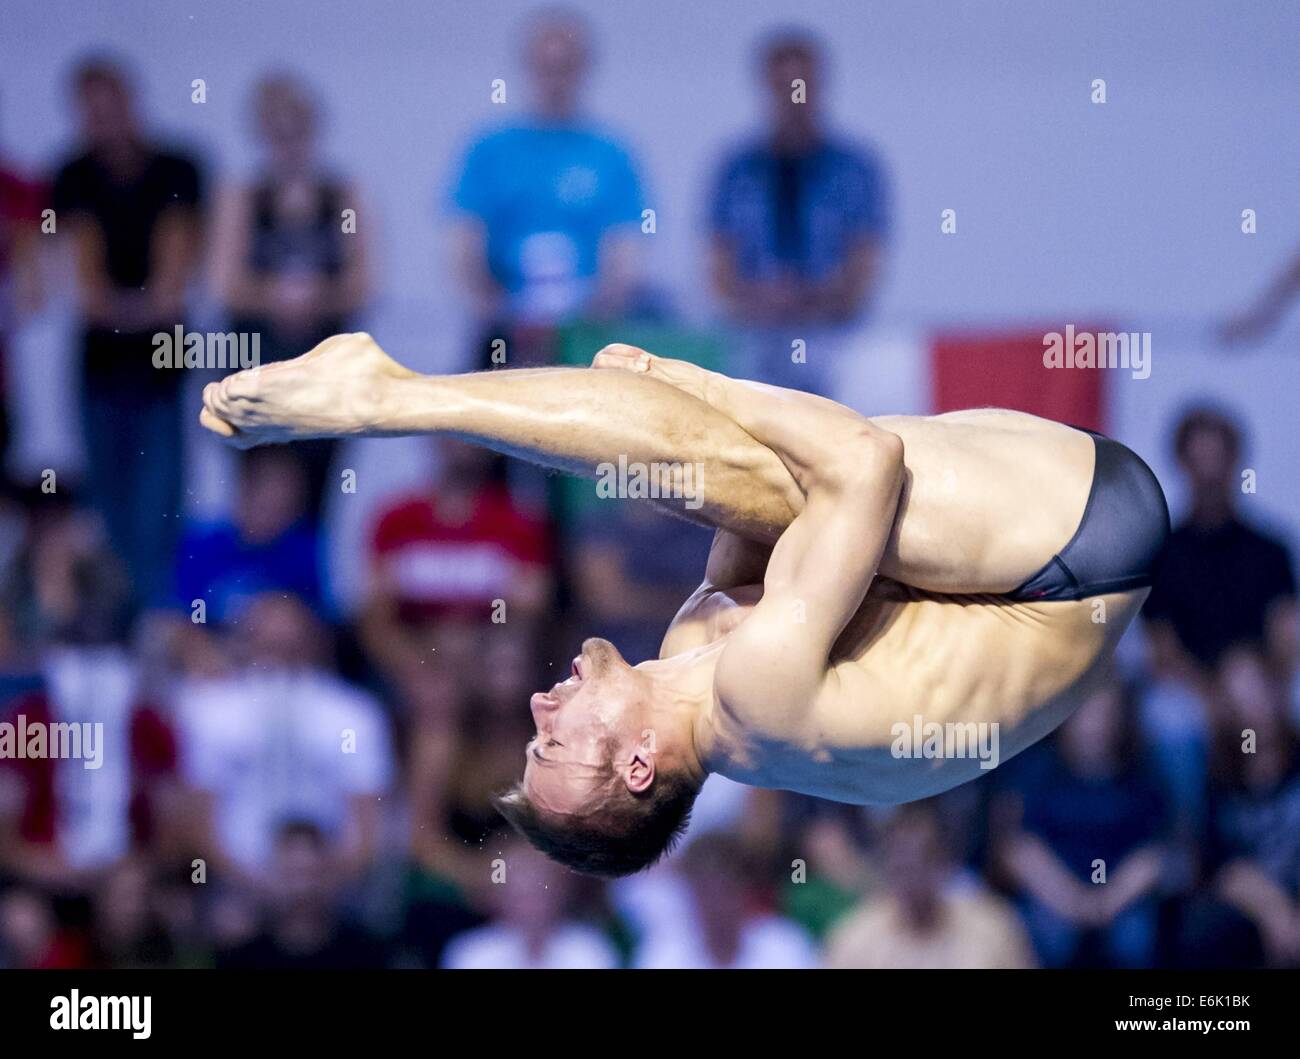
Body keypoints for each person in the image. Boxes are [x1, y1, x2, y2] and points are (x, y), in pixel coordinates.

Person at [198, 333, 1170, 878]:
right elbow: (860, 463)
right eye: (554, 742)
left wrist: (683, 406)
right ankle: (394, 399)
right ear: (635, 762)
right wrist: (692, 377)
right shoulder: (756, 699)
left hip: (996, 558)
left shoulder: (690, 649)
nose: (537, 709)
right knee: (787, 474)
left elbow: (733, 476)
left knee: (728, 479)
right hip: (1075, 553)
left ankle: (403, 395)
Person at [51, 57, 205, 608]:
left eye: (110, 105)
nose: (103, 120)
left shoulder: (176, 169)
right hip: (100, 366)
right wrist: (136, 307)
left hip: (162, 364)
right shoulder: (73, 175)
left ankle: (153, 625)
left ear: (131, 102)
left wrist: (137, 307)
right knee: (110, 507)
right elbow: (86, 282)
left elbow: (173, 273)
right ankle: (118, 623)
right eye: (90, 111)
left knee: (158, 506)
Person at [209, 73, 371, 519]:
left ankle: (303, 584)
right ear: (261, 134)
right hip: (258, 360)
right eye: (277, 132)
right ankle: (257, 585)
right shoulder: (243, 196)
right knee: (259, 489)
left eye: (296, 129)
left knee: (317, 491)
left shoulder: (341, 195)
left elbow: (363, 281)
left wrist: (314, 298)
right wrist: (278, 298)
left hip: (324, 365)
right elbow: (225, 283)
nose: (288, 143)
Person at [448, 7, 645, 368]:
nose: (555, 80)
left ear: (583, 69)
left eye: (565, 67)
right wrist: (507, 312)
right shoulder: (488, 150)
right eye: (546, 67)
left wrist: (586, 314)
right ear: (528, 67)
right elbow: (464, 252)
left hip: (586, 334)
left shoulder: (611, 154)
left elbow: (625, 256)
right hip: (503, 333)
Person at [709, 30, 888, 394]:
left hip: (836, 340)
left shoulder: (855, 169)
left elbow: (865, 265)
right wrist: (761, 300)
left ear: (820, 84)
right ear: (766, 87)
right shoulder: (736, 169)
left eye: (801, 85)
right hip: (753, 339)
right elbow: (717, 265)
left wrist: (812, 299)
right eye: (783, 85)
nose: (793, 97)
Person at [826, 803, 1034, 969]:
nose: (913, 880)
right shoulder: (854, 938)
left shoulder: (992, 926)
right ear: (887, 870)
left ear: (944, 864)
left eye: (921, 864)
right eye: (903, 868)